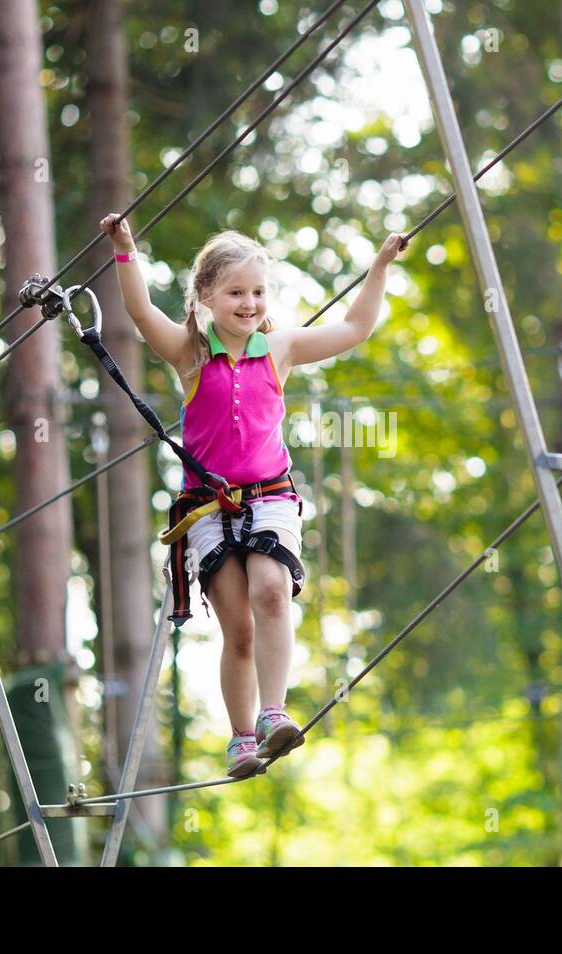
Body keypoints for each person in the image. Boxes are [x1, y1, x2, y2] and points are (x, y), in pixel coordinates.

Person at [100, 214, 405, 778]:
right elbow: (141, 311)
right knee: (236, 624)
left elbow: (355, 328)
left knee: (271, 591)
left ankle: (272, 713)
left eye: (258, 292)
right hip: (210, 506)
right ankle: (241, 737)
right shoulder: (189, 354)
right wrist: (125, 249)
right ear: (206, 298)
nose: (249, 303)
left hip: (270, 496)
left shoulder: (279, 349)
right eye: (236, 292)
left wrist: (379, 267)